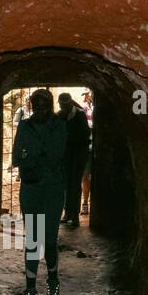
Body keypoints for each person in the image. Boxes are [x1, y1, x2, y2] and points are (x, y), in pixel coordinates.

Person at [11, 88, 67, 295]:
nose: (41, 110)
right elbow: (17, 157)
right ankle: (30, 289)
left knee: (50, 240)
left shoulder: (59, 125)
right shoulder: (25, 125)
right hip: (32, 189)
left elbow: (57, 154)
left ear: (51, 105)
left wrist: (32, 157)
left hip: (52, 190)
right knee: (33, 240)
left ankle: (53, 284)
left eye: (45, 105)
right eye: (37, 106)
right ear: (31, 106)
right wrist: (35, 158)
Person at [59, 92, 90, 228]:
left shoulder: (80, 115)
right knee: (66, 185)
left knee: (75, 184)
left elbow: (85, 135)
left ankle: (74, 215)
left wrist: (69, 138)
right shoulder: (61, 115)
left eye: (64, 104)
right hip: (66, 156)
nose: (63, 106)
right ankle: (67, 213)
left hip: (78, 156)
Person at [80, 92, 94, 215]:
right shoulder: (84, 108)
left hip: (94, 147)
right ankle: (85, 203)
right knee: (85, 176)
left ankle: (39, 233)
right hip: (88, 148)